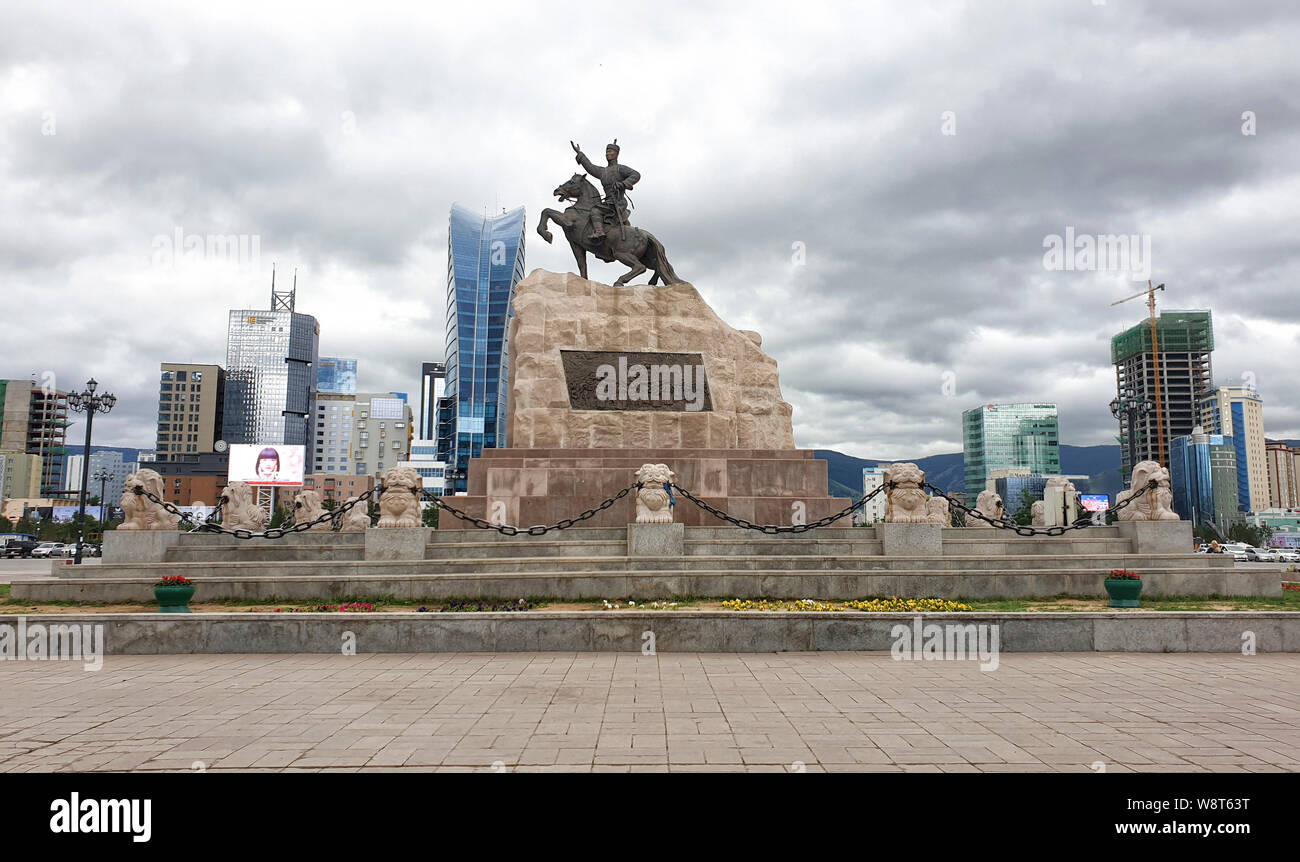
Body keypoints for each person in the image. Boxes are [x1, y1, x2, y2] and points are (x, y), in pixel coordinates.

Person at [572, 139, 639, 242]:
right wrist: (580, 153)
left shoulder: (620, 169)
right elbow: (590, 167)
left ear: (616, 154)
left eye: (610, 151)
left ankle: (599, 232)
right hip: (608, 202)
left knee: (595, 210)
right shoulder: (602, 172)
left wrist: (623, 184)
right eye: (606, 152)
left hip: (618, 202)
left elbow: (636, 175)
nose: (607, 154)